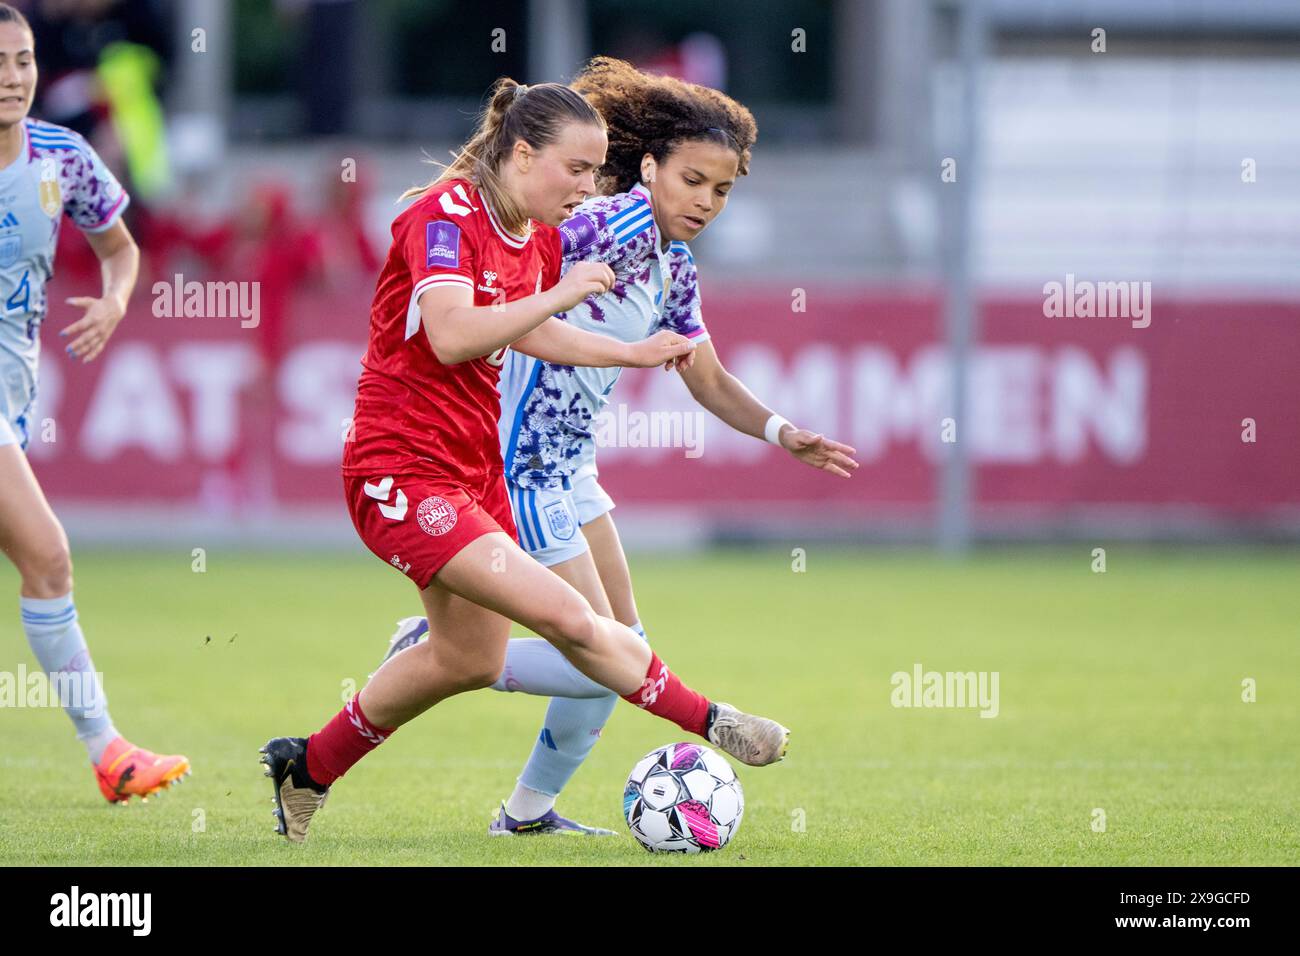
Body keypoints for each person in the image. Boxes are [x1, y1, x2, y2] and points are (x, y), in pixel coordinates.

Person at [260, 76, 789, 844]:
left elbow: (530, 333)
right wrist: (563, 291)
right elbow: (451, 334)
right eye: (575, 170)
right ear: (520, 153)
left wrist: (629, 352)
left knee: (470, 659)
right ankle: (718, 721)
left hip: (468, 469)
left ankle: (306, 767)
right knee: (573, 621)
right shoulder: (443, 217)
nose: (587, 188)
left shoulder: (537, 239)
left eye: (595, 170)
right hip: (400, 467)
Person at [379, 57, 858, 837]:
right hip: (520, 463)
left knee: (620, 651)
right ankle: (444, 654)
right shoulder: (602, 225)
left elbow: (703, 374)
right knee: (600, 657)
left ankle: (525, 814)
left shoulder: (674, 265)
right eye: (693, 179)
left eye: (722, 189)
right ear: (648, 167)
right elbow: (508, 273)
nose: (706, 201)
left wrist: (781, 432)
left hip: (574, 471)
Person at [0, 2, 189, 803]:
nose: (12, 79)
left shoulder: (61, 156)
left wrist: (115, 301)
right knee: (47, 556)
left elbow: (120, 246)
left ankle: (108, 752)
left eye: (22, 61)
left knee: (45, 562)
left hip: (12, 390)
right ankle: (109, 752)